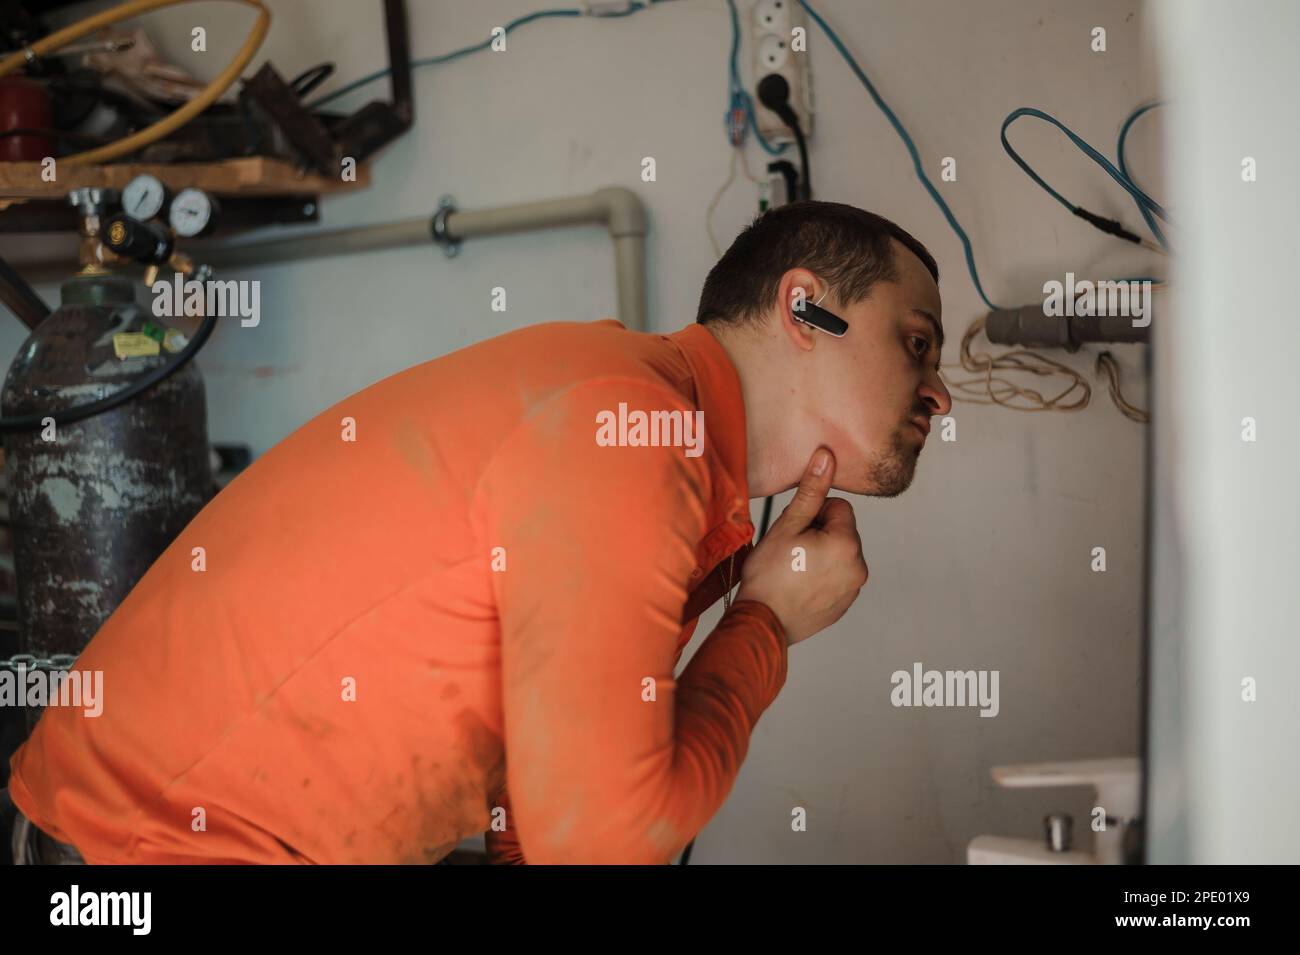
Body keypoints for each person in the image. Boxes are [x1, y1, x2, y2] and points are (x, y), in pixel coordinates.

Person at [5, 199, 950, 864]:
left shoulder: (659, 442)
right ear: (804, 307)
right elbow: (602, 842)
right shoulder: (623, 432)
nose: (941, 392)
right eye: (916, 341)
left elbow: (539, 818)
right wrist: (765, 629)